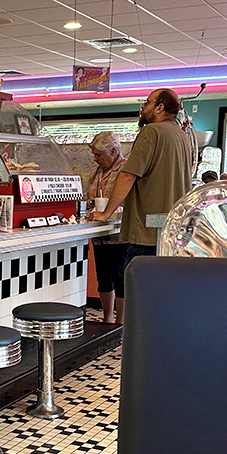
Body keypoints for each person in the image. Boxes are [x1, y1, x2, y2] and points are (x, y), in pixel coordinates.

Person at [91, 88, 192, 266]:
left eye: (147, 102)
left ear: (160, 107)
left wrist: (106, 213)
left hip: (148, 232)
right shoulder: (181, 136)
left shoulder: (151, 132)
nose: (143, 107)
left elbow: (128, 176)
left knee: (139, 282)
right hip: (172, 231)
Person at [87, 132, 127, 324]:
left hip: (119, 234)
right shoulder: (96, 172)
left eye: (99, 155)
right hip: (99, 233)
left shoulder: (125, 170)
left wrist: (110, 211)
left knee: (120, 278)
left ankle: (121, 321)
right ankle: (107, 319)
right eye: (94, 155)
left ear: (113, 151)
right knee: (103, 277)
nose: (95, 159)